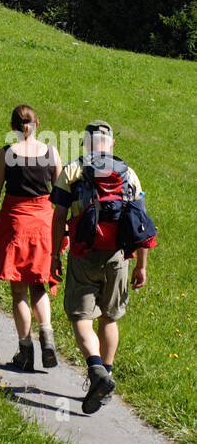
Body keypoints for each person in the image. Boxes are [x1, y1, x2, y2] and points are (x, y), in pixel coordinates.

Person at [50, 120, 157, 414]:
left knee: (81, 317)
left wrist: (54, 255)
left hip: (84, 253)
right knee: (109, 318)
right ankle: (106, 377)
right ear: (110, 145)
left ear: (85, 143)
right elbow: (141, 225)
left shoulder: (72, 170)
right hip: (119, 257)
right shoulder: (129, 173)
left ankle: (96, 371)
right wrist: (141, 266)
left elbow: (58, 217)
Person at [0, 105, 61, 371]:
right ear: (38, 124)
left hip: (16, 225)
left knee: (18, 290)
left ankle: (25, 350)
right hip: (44, 226)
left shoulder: (7, 154)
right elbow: (61, 196)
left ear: (12, 126)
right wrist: (63, 229)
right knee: (38, 286)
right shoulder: (51, 152)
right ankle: (47, 335)